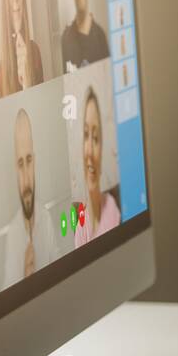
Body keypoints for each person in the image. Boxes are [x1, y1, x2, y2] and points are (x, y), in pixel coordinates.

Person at [2, 109, 54, 289]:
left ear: (35, 162)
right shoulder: (13, 235)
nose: (25, 177)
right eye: (20, 163)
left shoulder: (45, 218)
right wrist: (26, 280)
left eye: (29, 160)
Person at [74, 86, 120, 246]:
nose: (89, 151)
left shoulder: (112, 210)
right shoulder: (81, 218)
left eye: (96, 138)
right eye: (86, 135)